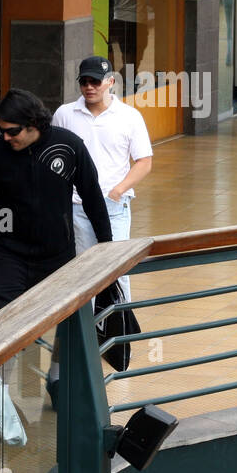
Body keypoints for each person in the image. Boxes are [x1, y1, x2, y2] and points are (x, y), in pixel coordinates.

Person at [0, 89, 113, 323]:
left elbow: (93, 199)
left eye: (12, 131)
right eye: (2, 131)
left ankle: (56, 362)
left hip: (56, 256)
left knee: (65, 327)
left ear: (33, 123)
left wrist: (107, 248)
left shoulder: (68, 146)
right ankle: (7, 362)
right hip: (6, 254)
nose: (6, 137)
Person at [51, 56, 154, 301]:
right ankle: (88, 335)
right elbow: (54, 156)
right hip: (77, 207)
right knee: (84, 273)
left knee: (117, 271)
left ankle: (121, 332)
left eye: (95, 82)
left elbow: (144, 162)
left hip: (114, 206)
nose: (89, 87)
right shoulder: (65, 114)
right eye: (84, 81)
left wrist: (118, 190)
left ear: (109, 82)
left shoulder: (129, 116)